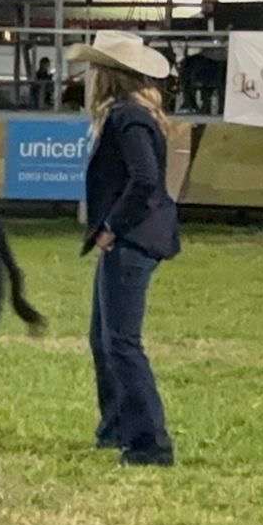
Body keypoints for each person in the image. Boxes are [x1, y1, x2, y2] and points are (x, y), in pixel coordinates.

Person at [69, 31, 180, 467]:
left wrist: (112, 227)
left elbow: (145, 180)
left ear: (108, 75)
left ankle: (150, 443)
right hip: (138, 236)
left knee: (120, 342)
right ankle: (116, 427)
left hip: (132, 237)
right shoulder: (133, 114)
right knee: (105, 338)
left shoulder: (126, 118)